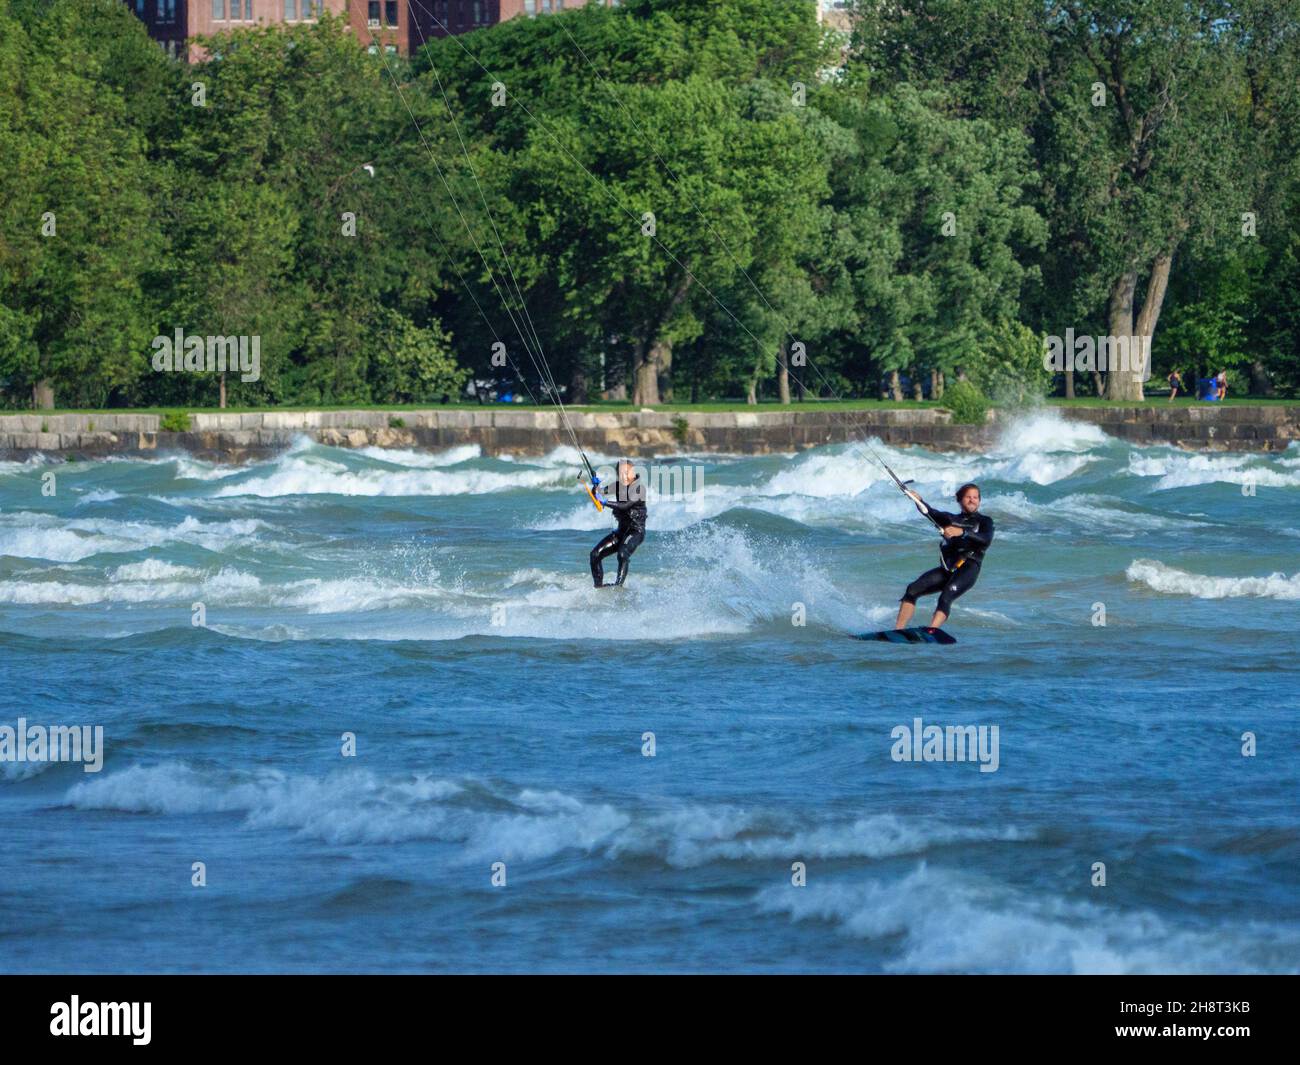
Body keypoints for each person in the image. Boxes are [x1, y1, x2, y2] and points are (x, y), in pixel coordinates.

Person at [895, 482, 993, 630]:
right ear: (959, 500)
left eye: (975, 497)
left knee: (946, 597)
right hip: (949, 567)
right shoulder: (950, 519)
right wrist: (918, 500)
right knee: (912, 589)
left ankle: (932, 631)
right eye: (968, 497)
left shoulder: (985, 521)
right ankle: (898, 630)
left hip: (969, 568)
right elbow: (930, 512)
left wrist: (963, 532)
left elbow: (986, 539)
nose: (972, 500)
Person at [590, 460, 646, 588]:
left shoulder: (639, 489)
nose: (624, 476)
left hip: (635, 532)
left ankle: (618, 587)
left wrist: (605, 502)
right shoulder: (617, 485)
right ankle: (598, 587)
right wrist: (595, 487)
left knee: (622, 554)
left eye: (627, 472)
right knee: (595, 554)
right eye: (621, 473)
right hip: (621, 532)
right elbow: (598, 494)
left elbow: (624, 506)